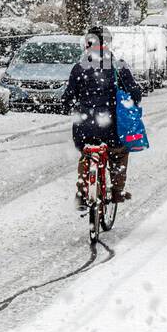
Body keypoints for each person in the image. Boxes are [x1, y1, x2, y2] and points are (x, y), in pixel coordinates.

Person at [60, 26, 142, 209]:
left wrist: (70, 106)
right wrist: (134, 99)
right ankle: (117, 190)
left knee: (87, 153)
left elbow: (67, 98)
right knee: (118, 153)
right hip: (110, 126)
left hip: (83, 126)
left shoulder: (79, 67)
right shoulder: (117, 65)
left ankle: (82, 194)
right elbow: (134, 92)